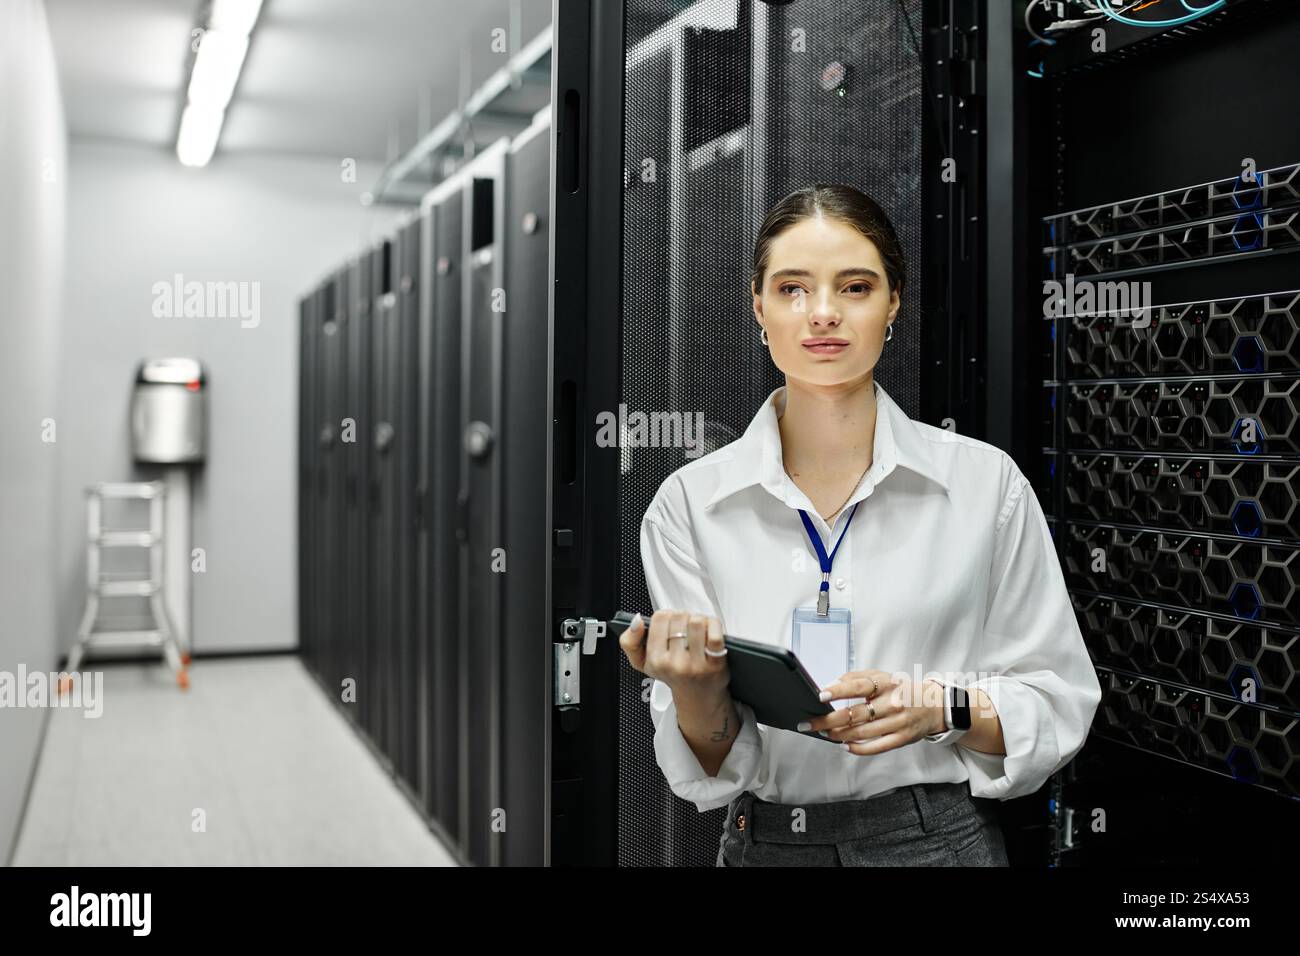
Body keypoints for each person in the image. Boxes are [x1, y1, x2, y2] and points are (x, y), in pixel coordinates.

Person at [618, 183, 1102, 866]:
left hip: (934, 845)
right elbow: (709, 765)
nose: (822, 314)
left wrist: (944, 710)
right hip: (764, 845)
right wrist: (693, 690)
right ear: (758, 305)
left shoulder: (984, 484)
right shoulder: (690, 504)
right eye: (792, 289)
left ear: (892, 302)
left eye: (854, 287)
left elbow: (1058, 701)